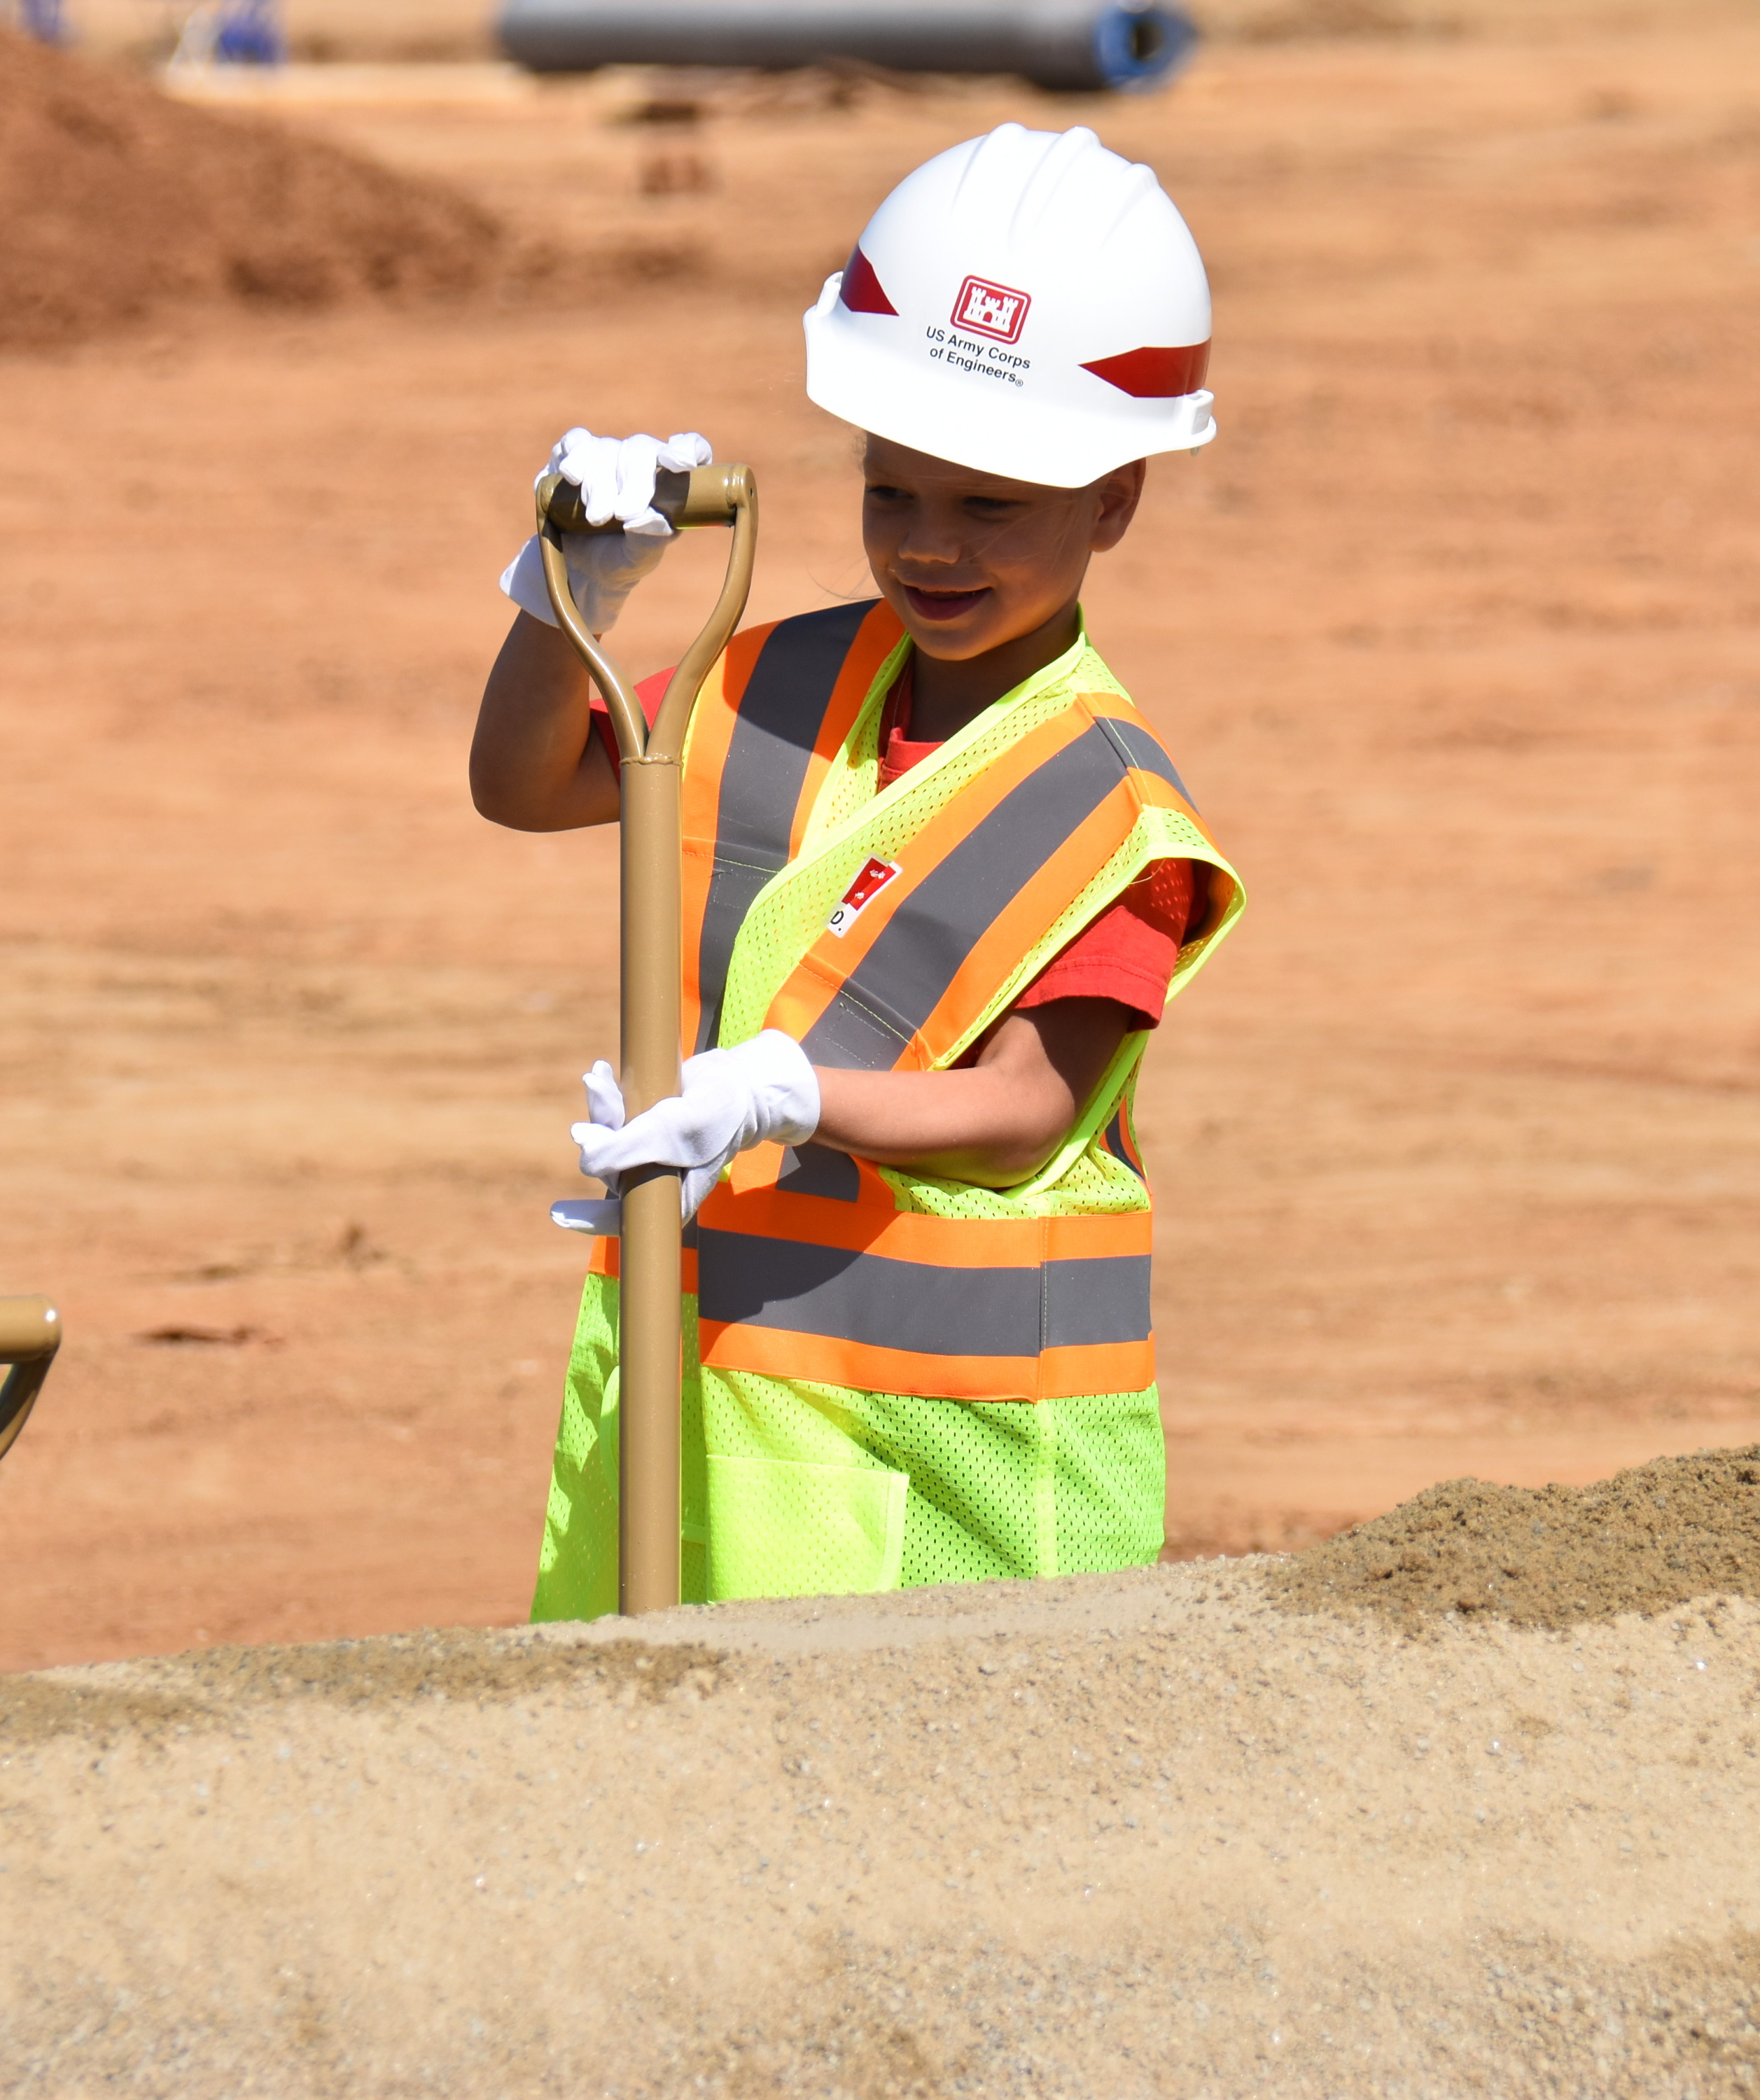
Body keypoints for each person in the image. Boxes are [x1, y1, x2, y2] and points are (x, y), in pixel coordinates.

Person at [470, 124, 1244, 1614]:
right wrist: (566, 595)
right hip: (718, 1409)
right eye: (893, 493)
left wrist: (781, 1096)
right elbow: (524, 783)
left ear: (1116, 501)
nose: (929, 547)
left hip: (971, 1483)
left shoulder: (1107, 806)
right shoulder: (774, 682)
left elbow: (1028, 1111)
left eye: (991, 508)